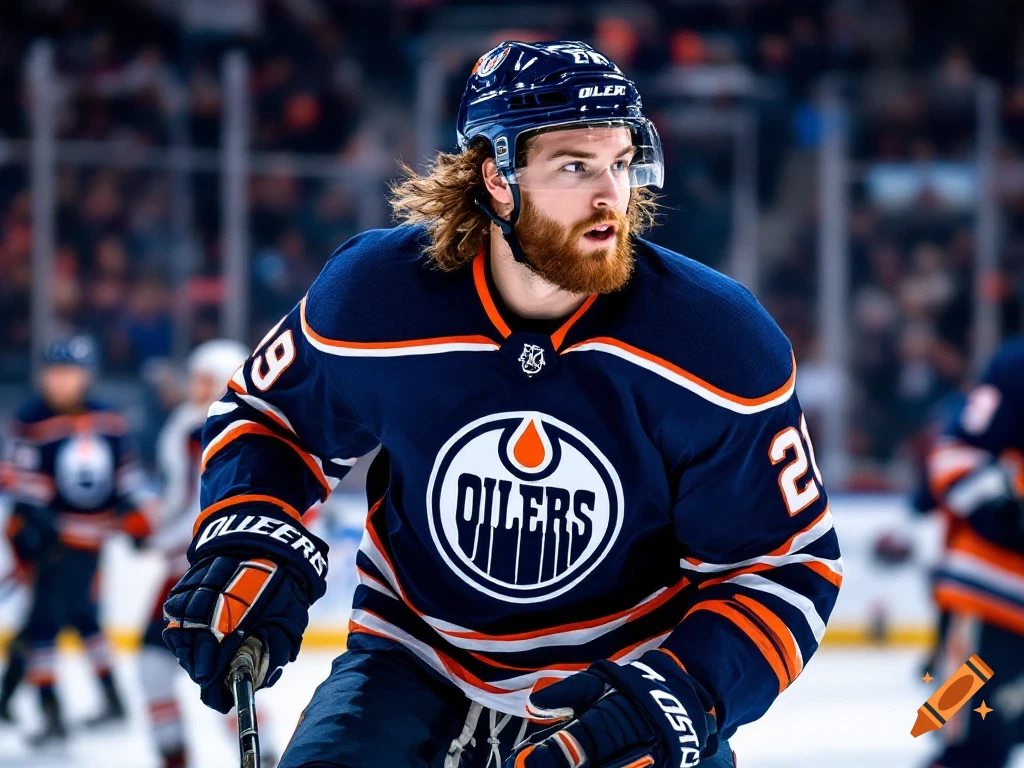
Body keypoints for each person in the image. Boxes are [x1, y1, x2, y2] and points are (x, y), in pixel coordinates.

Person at [163, 41, 842, 768]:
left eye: (619, 163)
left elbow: (784, 567)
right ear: (495, 177)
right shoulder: (375, 296)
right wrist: (253, 532)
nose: (609, 196)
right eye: (574, 167)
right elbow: (272, 418)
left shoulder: (716, 342)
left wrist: (684, 691)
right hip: (414, 665)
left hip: (621, 692)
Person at [0, 336, 154, 744]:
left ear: (86, 376)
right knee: (60, 620)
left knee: (50, 622)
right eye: (54, 372)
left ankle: (47, 710)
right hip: (51, 544)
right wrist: (34, 524)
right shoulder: (31, 419)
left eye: (69, 373)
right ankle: (65, 705)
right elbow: (19, 481)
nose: (61, 381)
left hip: (90, 543)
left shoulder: (109, 419)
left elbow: (126, 476)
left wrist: (134, 511)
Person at [139, 339, 250, 768]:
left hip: (202, 570)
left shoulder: (200, 427)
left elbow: (191, 506)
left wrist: (153, 535)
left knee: (197, 669)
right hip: (210, 569)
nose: (196, 387)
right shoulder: (209, 422)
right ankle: (266, 754)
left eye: (206, 379)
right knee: (223, 671)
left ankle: (180, 757)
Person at [924, 335, 1024, 768]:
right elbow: (955, 456)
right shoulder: (1016, 365)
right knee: (967, 747)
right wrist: (1008, 515)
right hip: (986, 600)